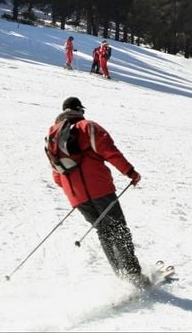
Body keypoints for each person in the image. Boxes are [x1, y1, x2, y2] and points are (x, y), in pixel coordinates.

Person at [46, 96, 148, 288]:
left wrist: (74, 189)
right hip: (100, 189)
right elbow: (110, 151)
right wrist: (130, 172)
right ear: (79, 110)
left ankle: (121, 276)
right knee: (118, 229)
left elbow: (57, 175)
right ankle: (135, 277)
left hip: (77, 197)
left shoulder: (53, 136)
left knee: (104, 231)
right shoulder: (87, 127)